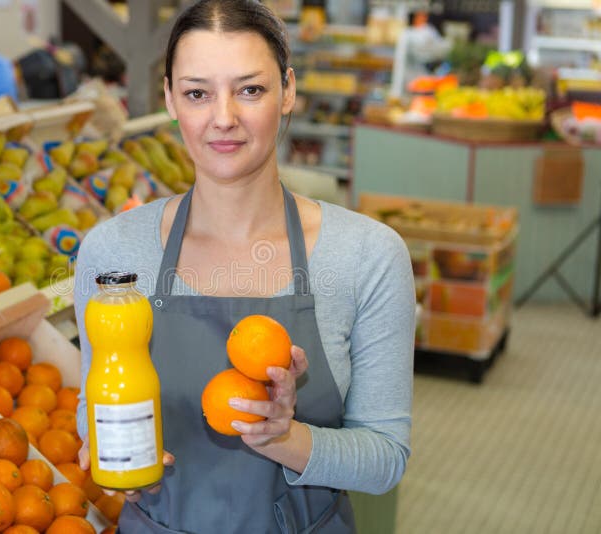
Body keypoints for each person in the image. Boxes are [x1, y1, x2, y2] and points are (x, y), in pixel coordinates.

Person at [73, 1, 415, 532]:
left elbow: (385, 458)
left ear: (288, 92)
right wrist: (109, 456)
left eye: (250, 89)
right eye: (197, 92)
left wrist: (285, 436)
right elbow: (95, 400)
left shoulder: (366, 255)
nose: (224, 117)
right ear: (169, 98)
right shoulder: (114, 255)